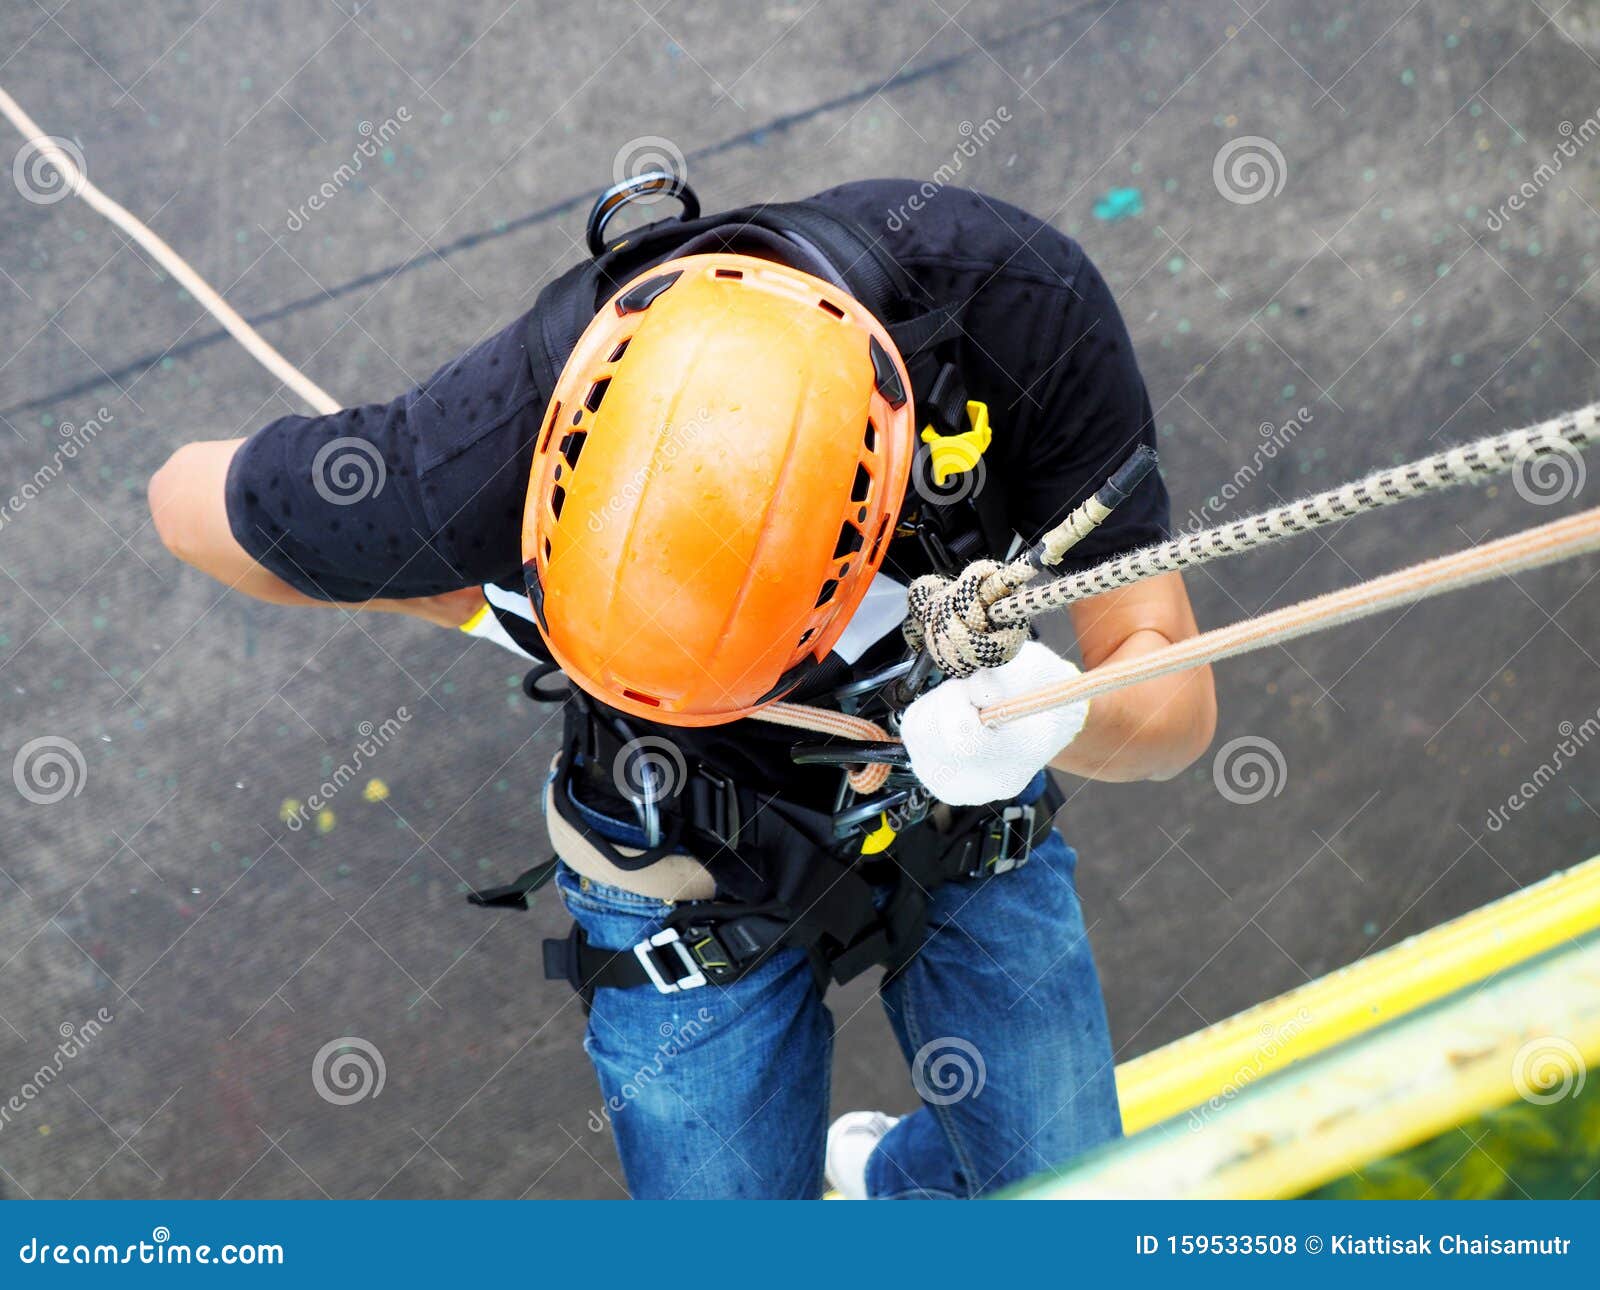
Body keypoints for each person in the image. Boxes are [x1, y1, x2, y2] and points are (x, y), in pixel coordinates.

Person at [148, 177, 1216, 1199]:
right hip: (679, 866)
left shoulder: (1011, 312)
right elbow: (183, 499)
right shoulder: (474, 454)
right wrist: (464, 596)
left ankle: (911, 1191)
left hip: (969, 778)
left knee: (1067, 1202)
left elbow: (1169, 702)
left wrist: (1047, 713)